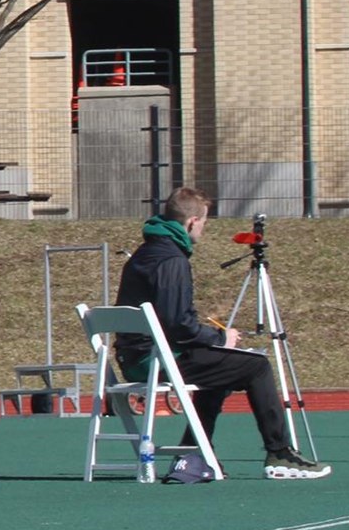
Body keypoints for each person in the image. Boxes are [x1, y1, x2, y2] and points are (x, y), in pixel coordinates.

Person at [114, 187, 330, 481]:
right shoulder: (172, 260)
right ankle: (279, 453)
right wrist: (221, 339)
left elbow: (171, 321)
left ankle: (194, 453)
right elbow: (179, 326)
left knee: (221, 372)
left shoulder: (144, 253)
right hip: (156, 360)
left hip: (134, 356)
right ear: (191, 222)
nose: (203, 228)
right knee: (255, 366)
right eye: (203, 222)